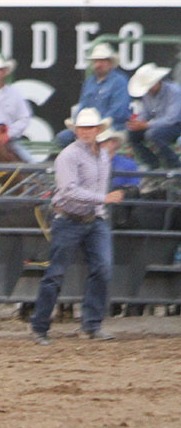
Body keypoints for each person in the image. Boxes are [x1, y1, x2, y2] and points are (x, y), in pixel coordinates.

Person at [30, 108, 123, 345]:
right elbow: (68, 190)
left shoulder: (101, 155)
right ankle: (39, 327)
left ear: (98, 130)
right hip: (69, 218)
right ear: (77, 130)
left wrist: (100, 207)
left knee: (102, 269)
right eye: (82, 128)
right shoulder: (68, 156)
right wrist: (102, 200)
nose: (86, 132)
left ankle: (91, 325)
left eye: (90, 128)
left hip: (92, 219)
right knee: (56, 274)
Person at [55, 42, 132, 147]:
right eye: (96, 61)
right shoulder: (89, 82)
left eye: (102, 61)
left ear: (110, 63)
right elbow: (83, 105)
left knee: (100, 139)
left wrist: (99, 125)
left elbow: (119, 110)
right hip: (88, 126)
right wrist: (78, 122)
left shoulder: (120, 81)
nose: (98, 65)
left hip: (112, 126)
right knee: (63, 138)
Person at [126, 63, 181, 171]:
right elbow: (147, 112)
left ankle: (174, 165)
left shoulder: (174, 92)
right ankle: (151, 163)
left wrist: (146, 124)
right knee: (131, 134)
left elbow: (172, 118)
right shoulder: (147, 94)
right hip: (160, 125)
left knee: (153, 134)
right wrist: (137, 122)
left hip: (177, 126)